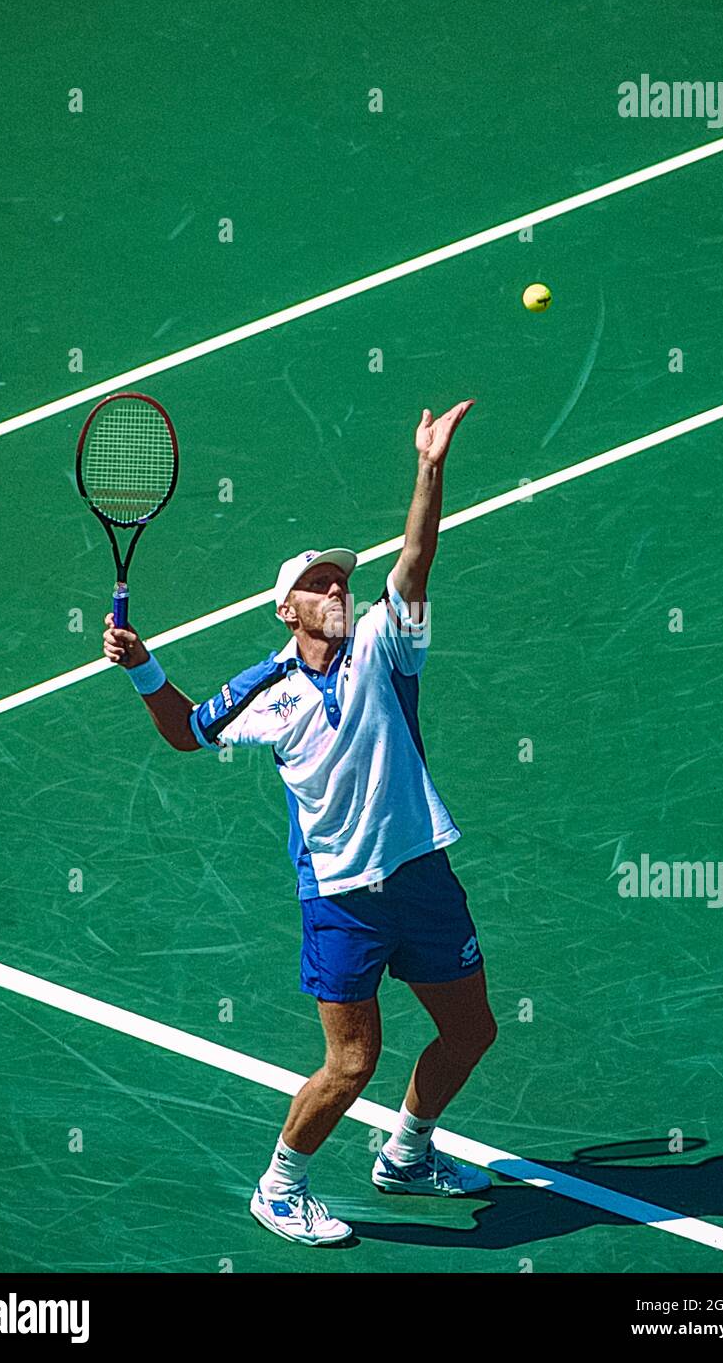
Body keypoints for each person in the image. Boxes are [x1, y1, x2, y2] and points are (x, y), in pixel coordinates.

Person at [103, 399, 498, 1246]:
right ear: (288, 609)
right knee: (351, 1064)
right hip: (343, 898)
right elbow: (185, 730)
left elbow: (417, 556)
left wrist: (429, 468)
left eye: (341, 578)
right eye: (319, 583)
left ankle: (409, 1155)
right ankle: (280, 1188)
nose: (337, 588)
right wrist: (145, 667)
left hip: (421, 872)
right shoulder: (265, 690)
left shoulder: (387, 646)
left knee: (471, 1030)